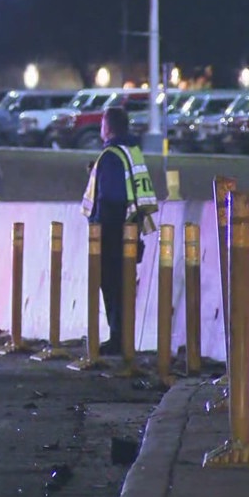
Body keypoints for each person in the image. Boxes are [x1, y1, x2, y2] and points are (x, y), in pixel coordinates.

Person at [81, 106, 158, 356]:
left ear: (108, 127)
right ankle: (122, 337)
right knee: (123, 284)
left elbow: (111, 196)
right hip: (131, 226)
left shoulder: (111, 155)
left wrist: (99, 228)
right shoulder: (131, 151)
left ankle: (118, 338)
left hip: (113, 230)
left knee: (112, 284)